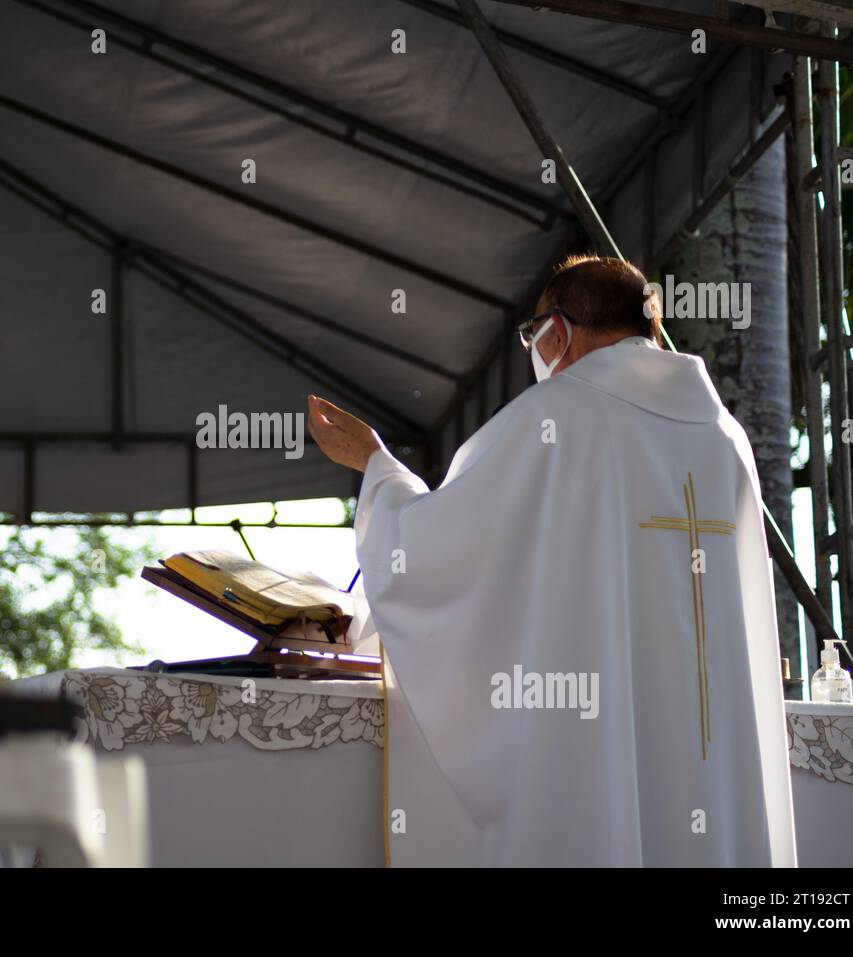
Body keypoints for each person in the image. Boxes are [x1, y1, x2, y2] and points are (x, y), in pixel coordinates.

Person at [307, 254, 796, 866]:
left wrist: (378, 467)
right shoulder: (727, 438)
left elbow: (438, 551)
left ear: (556, 332)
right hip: (710, 752)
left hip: (591, 738)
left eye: (531, 333)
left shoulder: (555, 418)